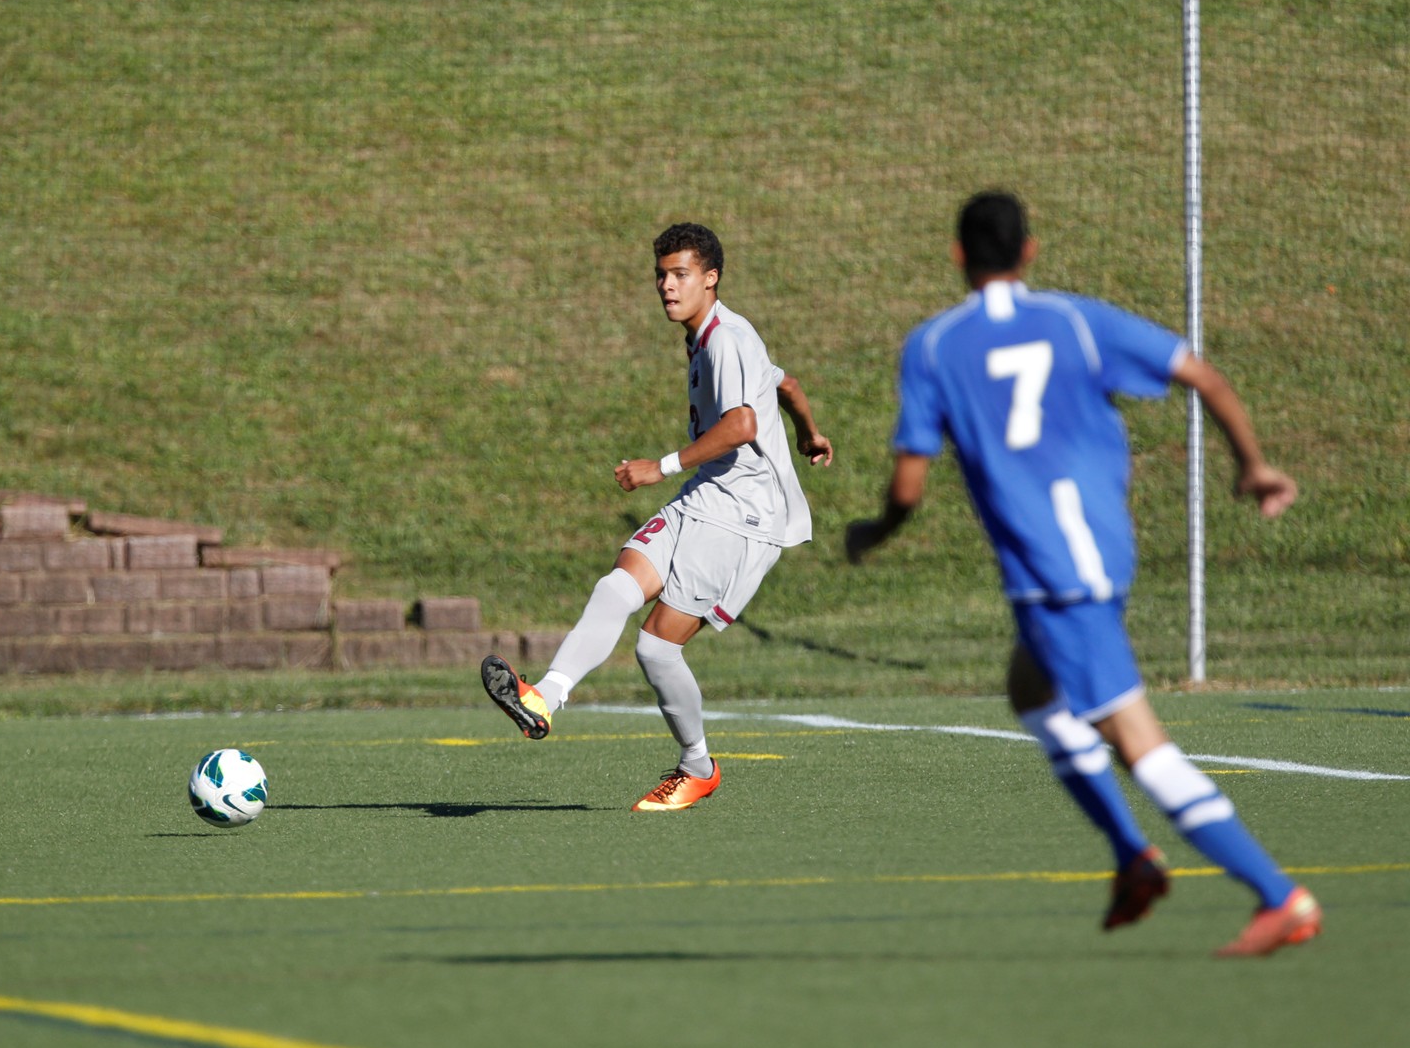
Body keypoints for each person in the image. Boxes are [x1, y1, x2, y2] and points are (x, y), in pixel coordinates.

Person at [845, 191, 1319, 957]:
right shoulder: (1076, 320)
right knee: (1030, 688)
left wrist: (874, 531)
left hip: (1053, 572)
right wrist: (1253, 465)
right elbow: (1202, 375)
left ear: (957, 255)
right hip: (1101, 552)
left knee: (1139, 743)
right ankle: (1133, 855)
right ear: (1030, 251)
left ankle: (1278, 894)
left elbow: (907, 487)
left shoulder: (933, 346)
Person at [481, 222, 833, 811]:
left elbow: (742, 424)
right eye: (661, 275)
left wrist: (661, 467)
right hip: (707, 496)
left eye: (681, 275)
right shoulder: (711, 334)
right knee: (616, 586)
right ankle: (544, 696)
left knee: (656, 650)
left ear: (710, 279)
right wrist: (810, 433)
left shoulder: (725, 340)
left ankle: (698, 767)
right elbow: (787, 384)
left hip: (743, 518)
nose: (667, 286)